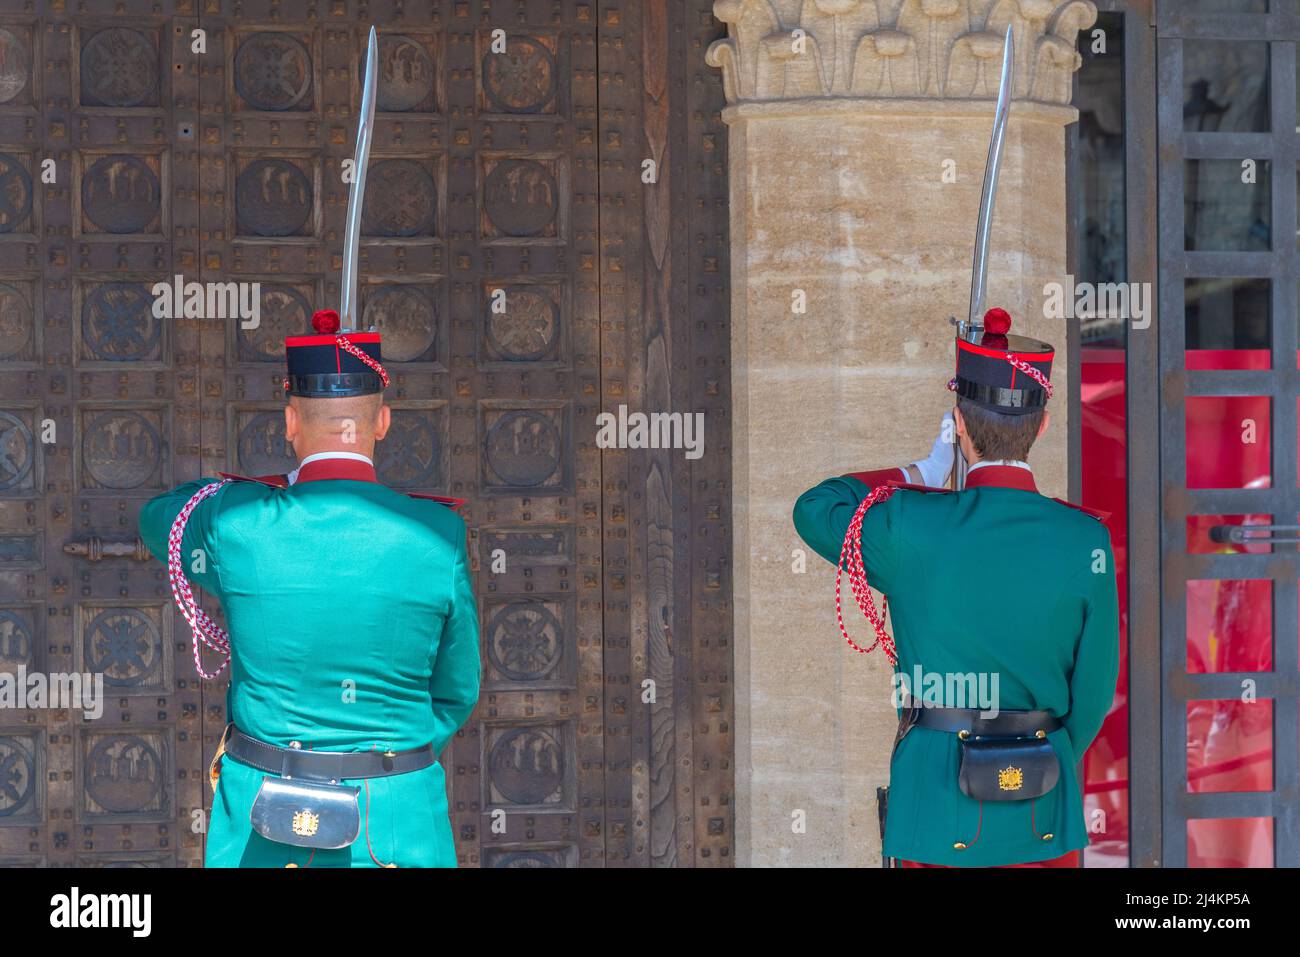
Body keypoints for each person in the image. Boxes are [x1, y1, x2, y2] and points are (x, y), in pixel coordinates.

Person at [139, 309, 480, 867]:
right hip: (395, 819)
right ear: (383, 421)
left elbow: (159, 520)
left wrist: (257, 489)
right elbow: (456, 688)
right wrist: (391, 755)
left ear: (290, 422)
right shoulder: (437, 535)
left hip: (263, 823)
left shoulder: (236, 523)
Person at [792, 308, 1119, 867]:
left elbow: (814, 508)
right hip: (1040, 805)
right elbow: (1092, 695)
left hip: (936, 803)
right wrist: (1045, 752)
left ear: (959, 426)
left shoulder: (910, 526)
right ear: (1041, 426)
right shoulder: (1084, 539)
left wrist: (919, 473)